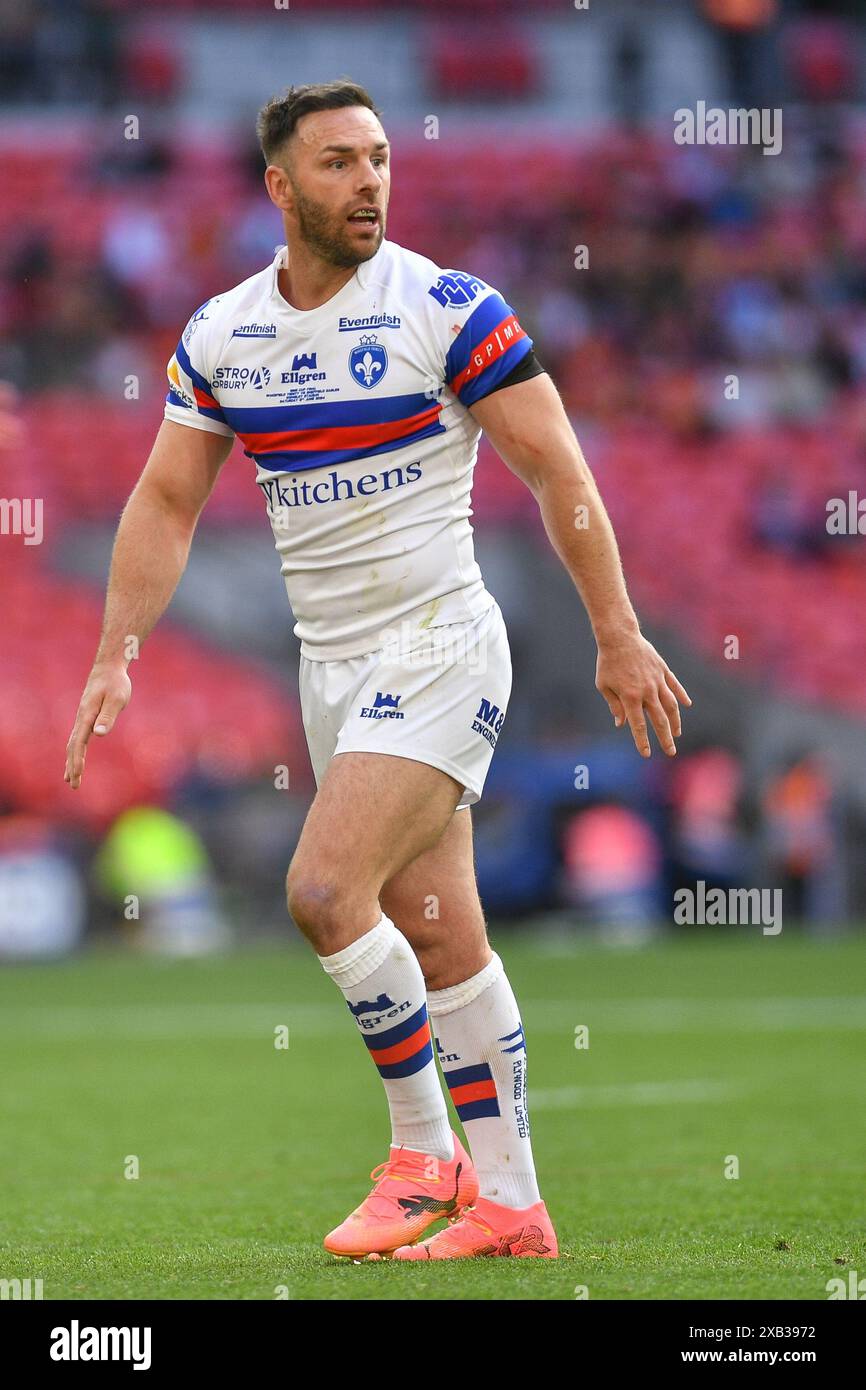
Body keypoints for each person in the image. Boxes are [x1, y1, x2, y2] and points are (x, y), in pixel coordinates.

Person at [64, 80, 691, 1261]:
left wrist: (613, 626)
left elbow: (556, 467)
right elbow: (162, 499)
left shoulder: (447, 310)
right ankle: (512, 1206)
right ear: (280, 186)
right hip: (332, 663)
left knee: (320, 891)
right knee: (438, 930)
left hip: (442, 640)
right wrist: (115, 651)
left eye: (380, 159)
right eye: (341, 163)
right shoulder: (221, 334)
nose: (368, 182)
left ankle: (424, 1156)